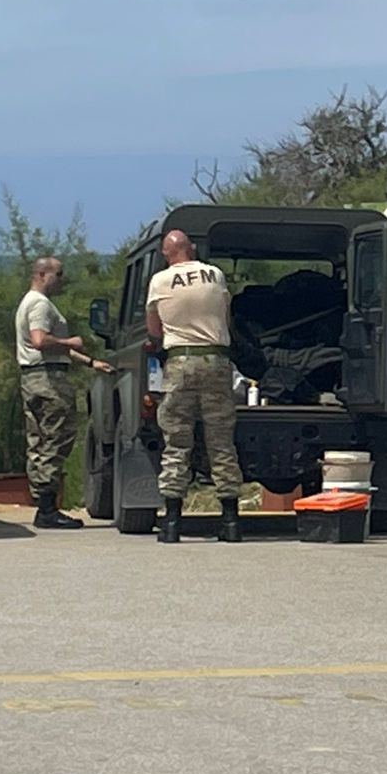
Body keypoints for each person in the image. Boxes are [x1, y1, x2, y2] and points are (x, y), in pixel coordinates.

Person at [145, 229, 241, 544]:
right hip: (216, 360)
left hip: (180, 362)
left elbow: (154, 328)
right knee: (221, 441)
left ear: (166, 253)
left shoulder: (160, 282)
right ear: (192, 249)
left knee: (177, 440)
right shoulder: (215, 275)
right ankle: (229, 521)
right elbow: (225, 319)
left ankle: (172, 521)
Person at [15, 256, 108, 531]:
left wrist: (90, 361)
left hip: (33, 377)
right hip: (48, 378)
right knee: (56, 438)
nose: (62, 279)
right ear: (42, 274)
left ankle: (42, 502)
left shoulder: (28, 303)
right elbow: (40, 341)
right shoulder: (40, 304)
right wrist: (71, 340)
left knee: (39, 440)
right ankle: (46, 506)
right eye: (59, 274)